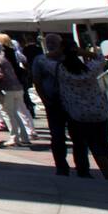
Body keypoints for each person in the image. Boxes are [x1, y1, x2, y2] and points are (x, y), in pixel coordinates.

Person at [56, 43, 108, 179]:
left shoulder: (61, 70)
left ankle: (84, 170)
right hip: (99, 110)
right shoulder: (90, 70)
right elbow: (100, 58)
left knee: (81, 144)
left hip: (77, 113)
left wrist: (62, 51)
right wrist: (81, 52)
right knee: (103, 145)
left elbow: (47, 60)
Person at [0, 37, 34, 146]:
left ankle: (14, 137)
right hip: (17, 87)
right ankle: (24, 137)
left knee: (8, 114)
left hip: (6, 89)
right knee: (15, 114)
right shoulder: (4, 57)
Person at [30, 33, 70, 175]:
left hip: (64, 100)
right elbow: (37, 81)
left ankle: (66, 166)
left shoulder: (43, 60)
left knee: (61, 135)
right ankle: (63, 165)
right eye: (50, 42)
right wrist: (45, 100)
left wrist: (44, 99)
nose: (52, 45)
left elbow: (37, 80)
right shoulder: (41, 60)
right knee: (60, 135)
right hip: (56, 100)